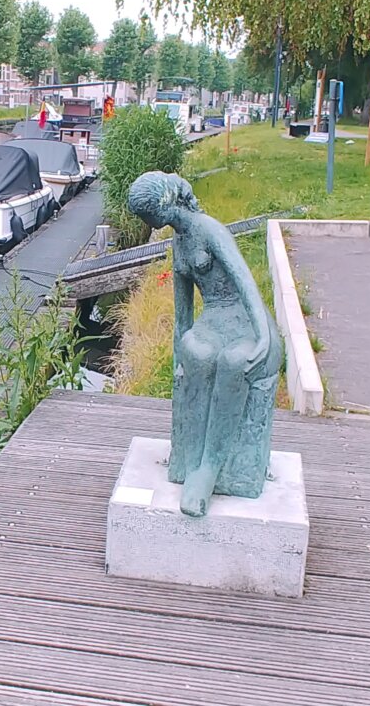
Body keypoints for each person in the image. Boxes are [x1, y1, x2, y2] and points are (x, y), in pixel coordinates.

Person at [126, 172, 282, 517]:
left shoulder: (209, 229)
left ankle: (208, 471)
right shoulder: (178, 243)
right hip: (213, 320)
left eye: (147, 214)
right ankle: (188, 460)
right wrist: (179, 355)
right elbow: (183, 314)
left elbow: (246, 283)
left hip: (244, 319)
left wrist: (265, 337)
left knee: (234, 362)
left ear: (163, 206)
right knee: (198, 355)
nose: (147, 222)